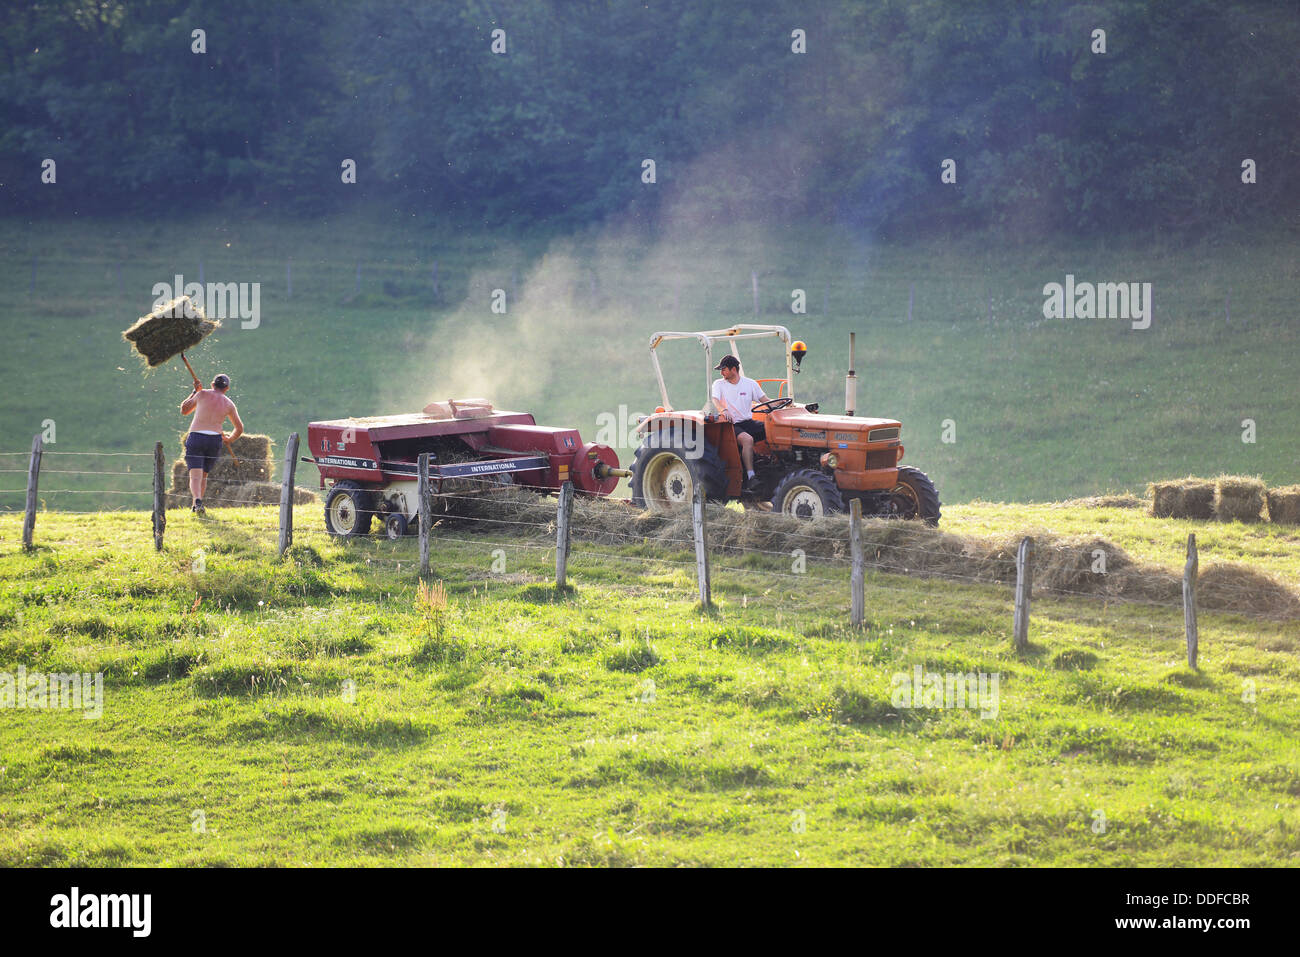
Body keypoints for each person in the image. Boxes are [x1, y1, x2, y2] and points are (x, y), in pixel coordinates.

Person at [180, 372, 244, 515]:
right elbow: (239, 428)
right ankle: (196, 505)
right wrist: (229, 439)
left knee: (195, 476)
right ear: (227, 388)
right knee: (203, 476)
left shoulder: (201, 394)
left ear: (212, 384)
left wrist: (194, 392)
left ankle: (197, 500)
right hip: (214, 440)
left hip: (196, 437)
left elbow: (184, 410)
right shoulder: (229, 404)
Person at [710, 355, 767, 493]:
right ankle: (751, 476)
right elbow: (715, 400)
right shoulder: (719, 384)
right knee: (748, 440)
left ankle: (769, 466)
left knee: (771, 431)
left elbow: (765, 400)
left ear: (733, 369)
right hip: (730, 425)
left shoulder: (750, 384)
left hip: (748, 422)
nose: (721, 373)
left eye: (723, 369)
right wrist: (723, 410)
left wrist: (785, 405)